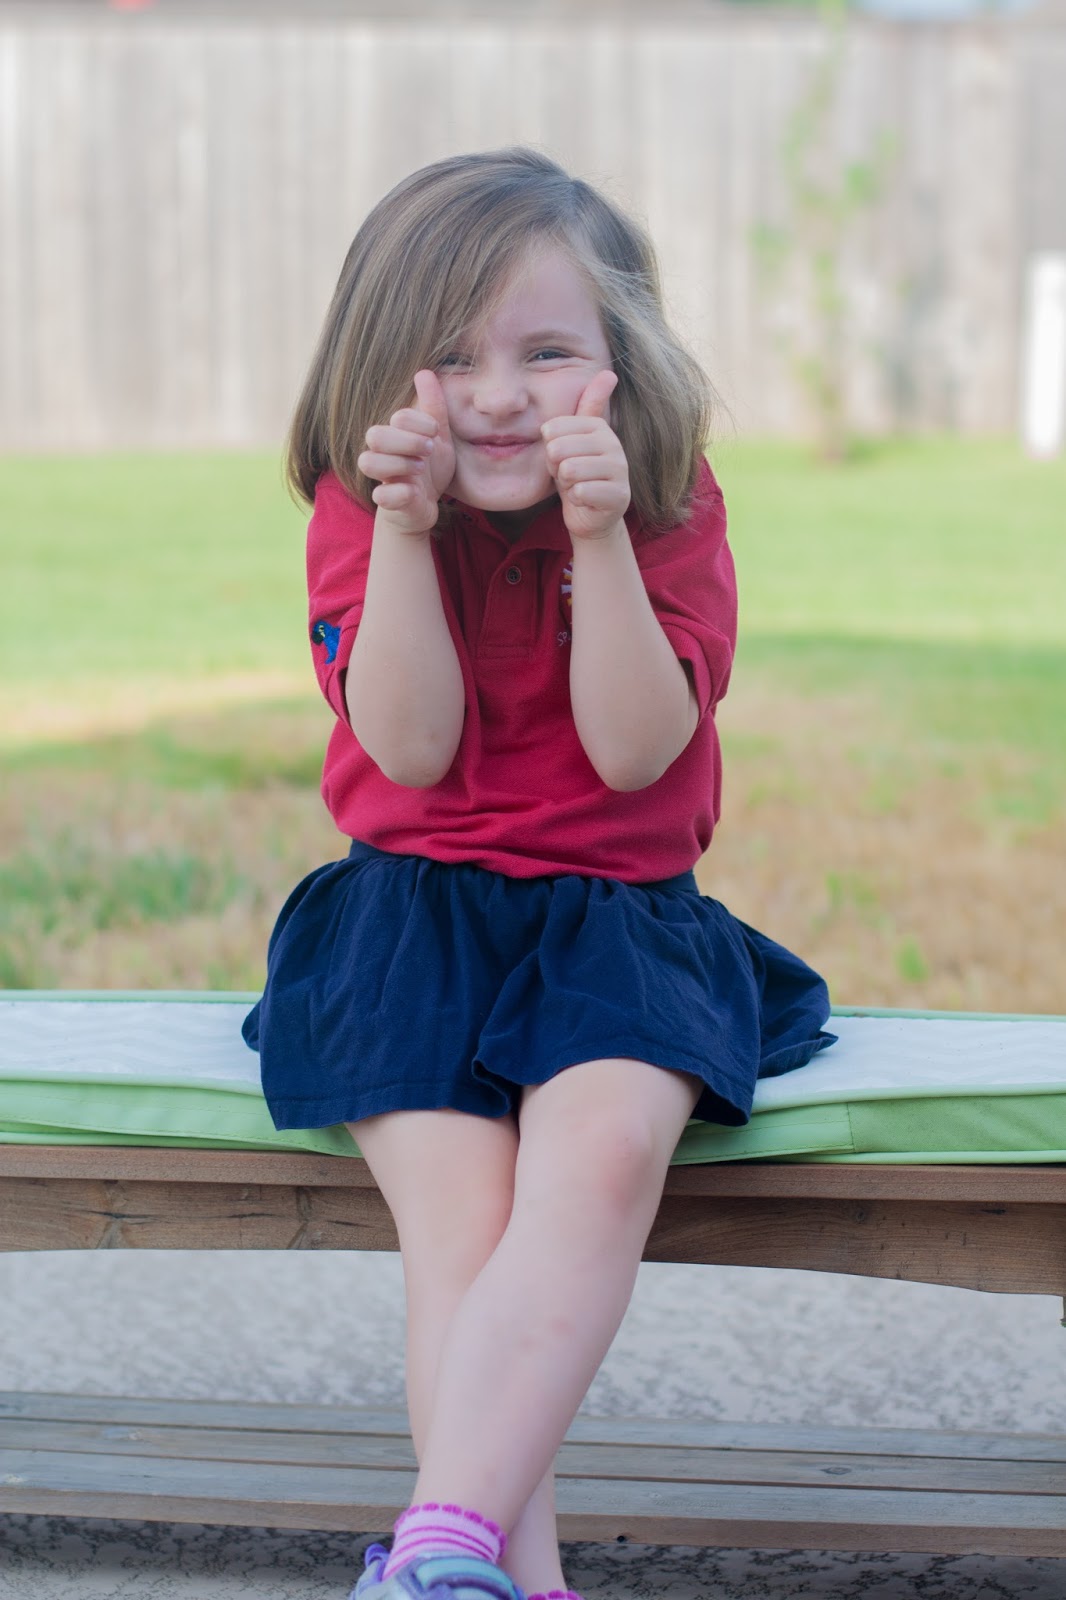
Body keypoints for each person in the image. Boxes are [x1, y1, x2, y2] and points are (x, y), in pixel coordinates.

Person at [242, 146, 836, 1600]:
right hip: (408, 917)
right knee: (467, 1224)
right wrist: (398, 529)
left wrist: (598, 536)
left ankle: (443, 1550)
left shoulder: (673, 511)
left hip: (621, 927)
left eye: (545, 350)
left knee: (608, 1157)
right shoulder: (356, 508)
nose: (498, 393)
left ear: (617, 367)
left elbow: (636, 755)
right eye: (451, 359)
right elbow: (411, 742)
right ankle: (495, 1569)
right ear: (386, 376)